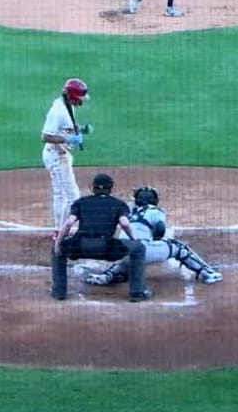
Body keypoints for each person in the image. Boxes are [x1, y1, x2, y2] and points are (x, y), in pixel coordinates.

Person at [85, 185, 222, 287]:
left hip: (118, 251)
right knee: (178, 247)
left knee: (128, 257)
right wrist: (156, 240)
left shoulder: (128, 211)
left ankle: (106, 276)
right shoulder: (155, 211)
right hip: (143, 250)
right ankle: (207, 273)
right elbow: (160, 228)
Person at [52, 173, 148, 301]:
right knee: (139, 248)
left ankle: (59, 291)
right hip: (106, 248)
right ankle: (137, 293)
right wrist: (134, 239)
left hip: (80, 246)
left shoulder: (81, 202)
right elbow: (124, 223)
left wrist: (58, 244)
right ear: (111, 188)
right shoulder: (118, 204)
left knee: (56, 251)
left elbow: (69, 223)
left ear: (93, 188)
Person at [40, 78, 91, 232]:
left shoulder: (67, 105)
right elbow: (45, 136)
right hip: (56, 156)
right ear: (72, 97)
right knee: (73, 197)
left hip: (60, 153)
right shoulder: (58, 111)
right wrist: (69, 139)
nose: (81, 102)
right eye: (79, 99)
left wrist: (81, 130)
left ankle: (58, 228)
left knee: (60, 194)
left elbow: (66, 127)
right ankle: (62, 233)